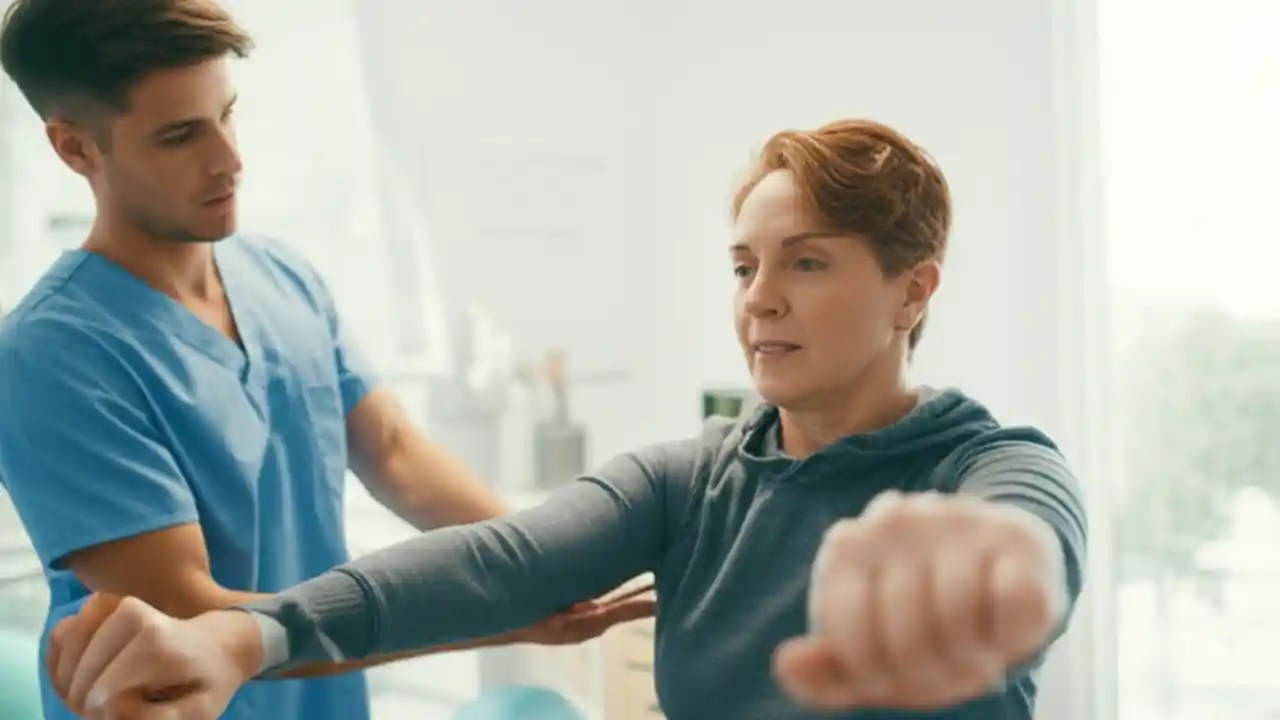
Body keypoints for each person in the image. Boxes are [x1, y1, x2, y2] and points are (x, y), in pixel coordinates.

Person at [47, 117, 1088, 720]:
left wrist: (969, 579)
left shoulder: (989, 470)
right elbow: (492, 561)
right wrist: (250, 634)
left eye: (805, 262)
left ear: (913, 291)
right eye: (742, 266)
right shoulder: (689, 482)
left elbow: (1024, 546)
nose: (757, 298)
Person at [0, 2, 651, 720]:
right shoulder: (50, 357)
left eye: (229, 114)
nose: (229, 158)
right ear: (75, 149)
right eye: (181, 135)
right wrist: (486, 614)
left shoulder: (282, 278)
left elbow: (398, 457)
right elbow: (191, 615)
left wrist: (551, 565)